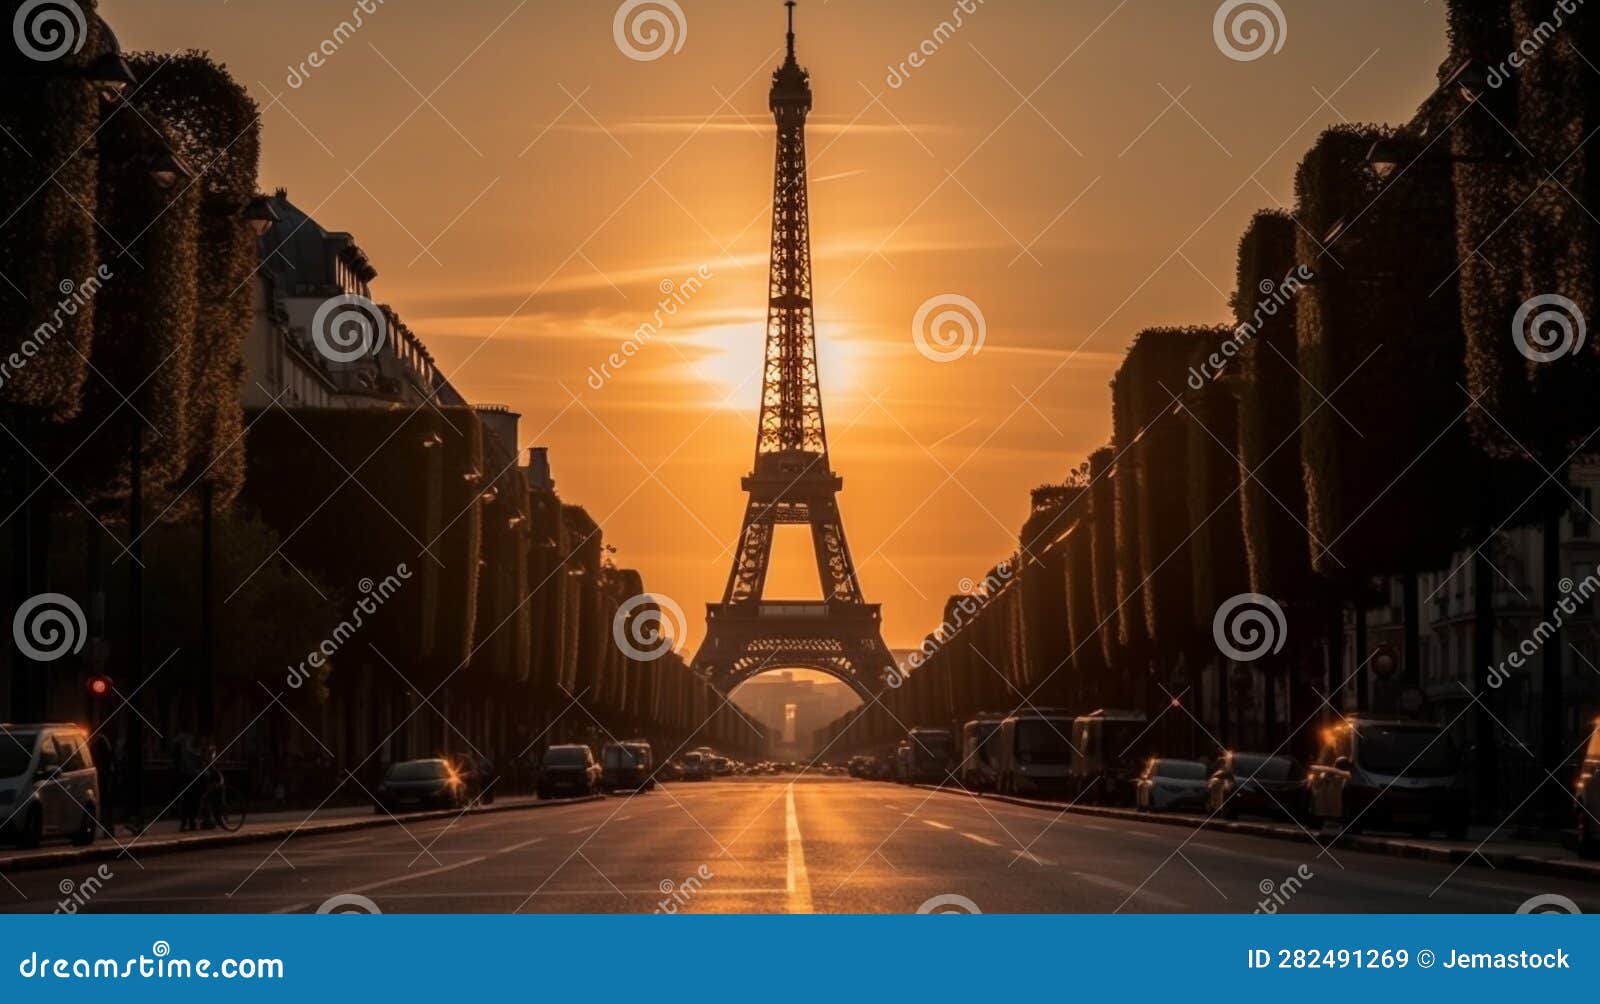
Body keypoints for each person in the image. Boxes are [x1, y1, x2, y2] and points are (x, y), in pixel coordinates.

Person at [171, 733, 202, 832]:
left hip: (184, 774)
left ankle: (185, 822)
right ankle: (191, 821)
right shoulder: (192, 739)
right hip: (192, 774)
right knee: (193, 799)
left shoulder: (178, 740)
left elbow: (174, 757)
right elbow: (198, 756)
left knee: (186, 799)